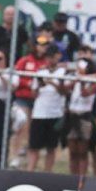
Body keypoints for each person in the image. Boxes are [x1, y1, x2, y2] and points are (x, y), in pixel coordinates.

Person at [27, 44, 66, 172]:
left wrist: (51, 82)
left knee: (51, 147)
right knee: (34, 146)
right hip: (39, 113)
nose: (50, 60)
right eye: (48, 57)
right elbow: (33, 94)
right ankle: (30, 170)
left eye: (52, 57)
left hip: (55, 113)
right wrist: (40, 85)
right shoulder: (40, 72)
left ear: (58, 57)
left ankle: (47, 172)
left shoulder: (63, 73)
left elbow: (64, 92)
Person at [11, 37, 49, 168]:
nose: (43, 47)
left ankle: (27, 154)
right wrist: (28, 83)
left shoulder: (46, 63)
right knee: (22, 125)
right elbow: (16, 77)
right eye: (40, 45)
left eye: (45, 45)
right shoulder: (25, 60)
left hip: (39, 100)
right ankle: (16, 155)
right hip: (23, 97)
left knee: (32, 129)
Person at [66, 57, 96, 177]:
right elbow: (65, 89)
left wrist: (82, 81)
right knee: (72, 150)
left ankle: (82, 177)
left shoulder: (93, 82)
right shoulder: (74, 80)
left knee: (82, 151)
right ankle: (72, 176)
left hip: (84, 116)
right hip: (72, 115)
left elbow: (85, 93)